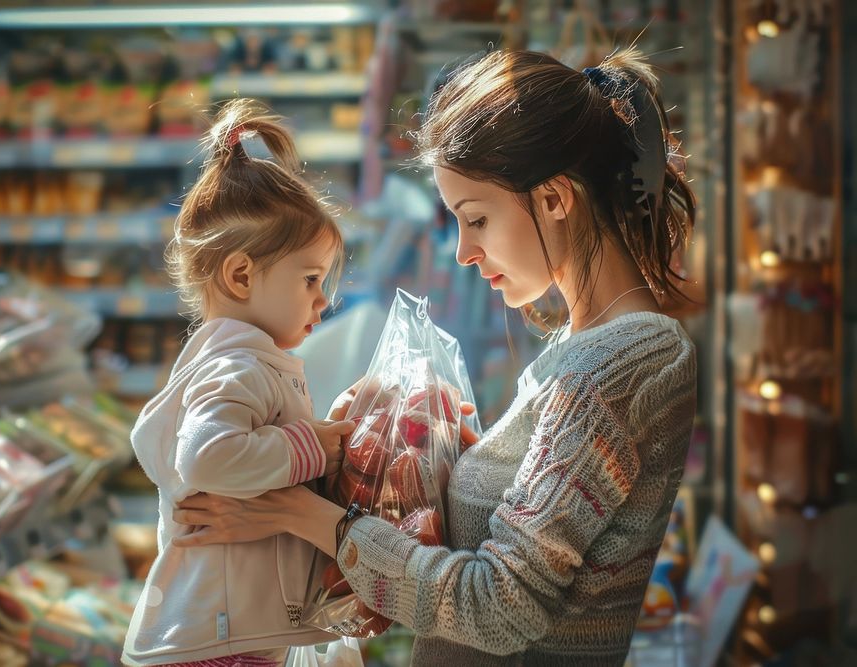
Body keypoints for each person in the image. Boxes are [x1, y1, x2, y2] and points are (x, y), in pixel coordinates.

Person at [169, 47, 698, 667]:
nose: (463, 253)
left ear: (555, 199)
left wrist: (309, 517)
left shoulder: (622, 362)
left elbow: (498, 609)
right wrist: (410, 454)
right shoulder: (583, 350)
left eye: (476, 219)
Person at [122, 99, 357, 667]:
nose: (323, 300)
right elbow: (208, 456)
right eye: (310, 279)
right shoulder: (239, 365)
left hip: (227, 630)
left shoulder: (244, 359)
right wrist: (313, 449)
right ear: (241, 274)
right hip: (221, 642)